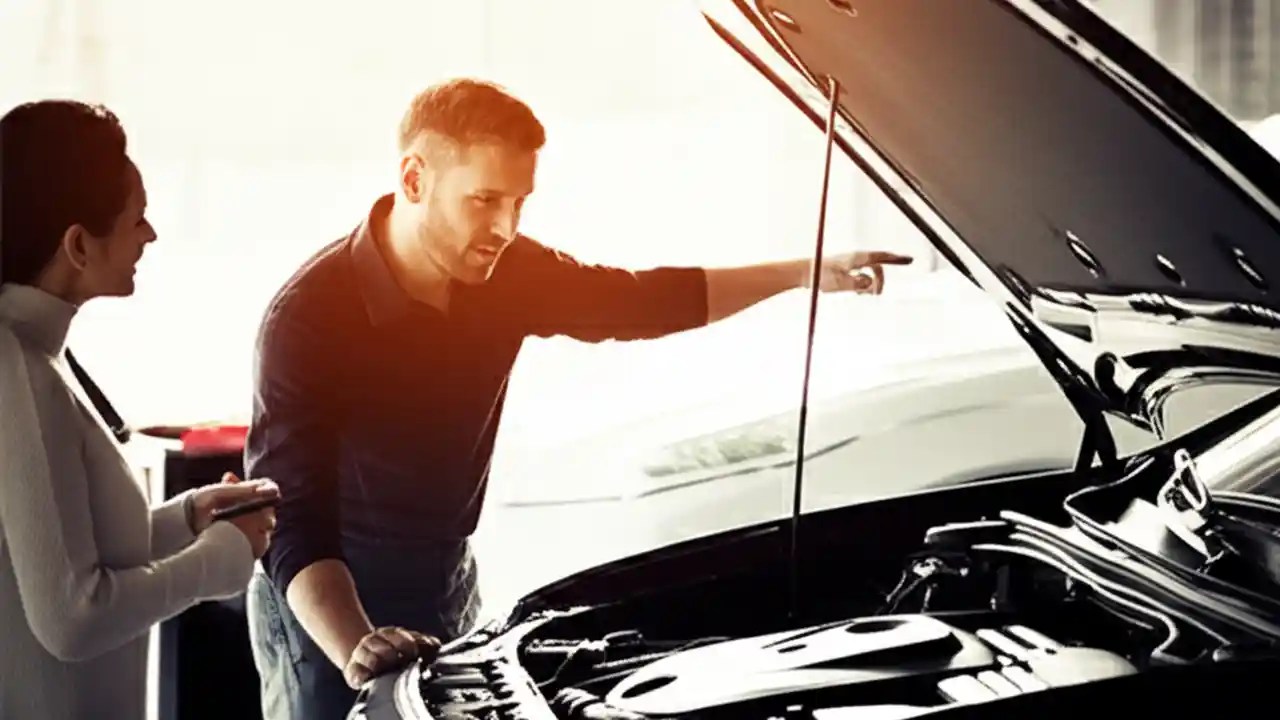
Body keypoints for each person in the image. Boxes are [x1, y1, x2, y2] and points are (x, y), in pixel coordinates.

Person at [244, 77, 912, 719]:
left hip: (444, 569)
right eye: (484, 199)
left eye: (519, 203)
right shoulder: (307, 318)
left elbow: (639, 302)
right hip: (326, 597)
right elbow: (292, 517)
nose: (505, 227)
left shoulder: (508, 272)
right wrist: (355, 646)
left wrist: (804, 272)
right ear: (415, 180)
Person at [0, 99, 280, 719]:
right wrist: (217, 561)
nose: (149, 235)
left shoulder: (40, 353)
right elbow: (72, 618)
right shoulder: (17, 369)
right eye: (136, 219)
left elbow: (68, 540)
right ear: (78, 244)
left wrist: (190, 517)